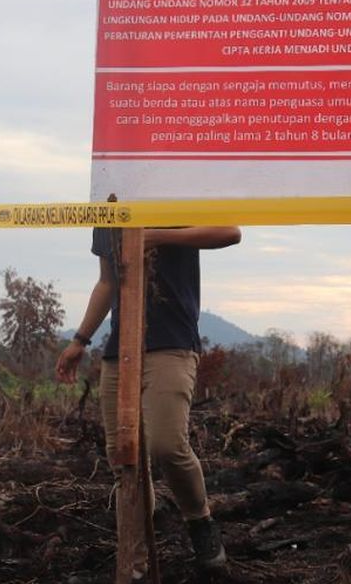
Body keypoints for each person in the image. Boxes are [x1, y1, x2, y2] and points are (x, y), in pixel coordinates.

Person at [56, 222, 241, 576]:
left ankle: (200, 522)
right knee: (125, 464)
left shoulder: (173, 192)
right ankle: (135, 566)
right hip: (119, 351)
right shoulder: (107, 211)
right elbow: (108, 281)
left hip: (172, 342)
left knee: (166, 445)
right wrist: (80, 340)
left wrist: (156, 236)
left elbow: (230, 231)